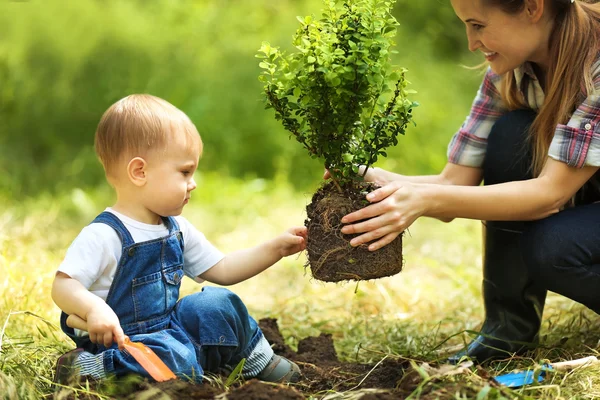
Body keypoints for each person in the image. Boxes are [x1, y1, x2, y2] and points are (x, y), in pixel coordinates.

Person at [334, 0, 600, 363]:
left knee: (553, 249)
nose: (472, 42)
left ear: (532, 7)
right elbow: (454, 181)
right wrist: (374, 179)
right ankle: (507, 331)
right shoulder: (509, 69)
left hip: (568, 196)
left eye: (478, 25)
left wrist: (422, 200)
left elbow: (549, 195)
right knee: (512, 135)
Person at [51, 94, 307, 383]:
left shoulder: (177, 228)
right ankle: (90, 368)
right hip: (126, 344)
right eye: (185, 172)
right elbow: (63, 285)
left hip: (169, 330)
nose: (193, 183)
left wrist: (275, 248)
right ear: (140, 172)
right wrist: (94, 309)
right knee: (175, 357)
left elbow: (223, 269)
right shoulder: (105, 235)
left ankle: (255, 360)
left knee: (219, 304)